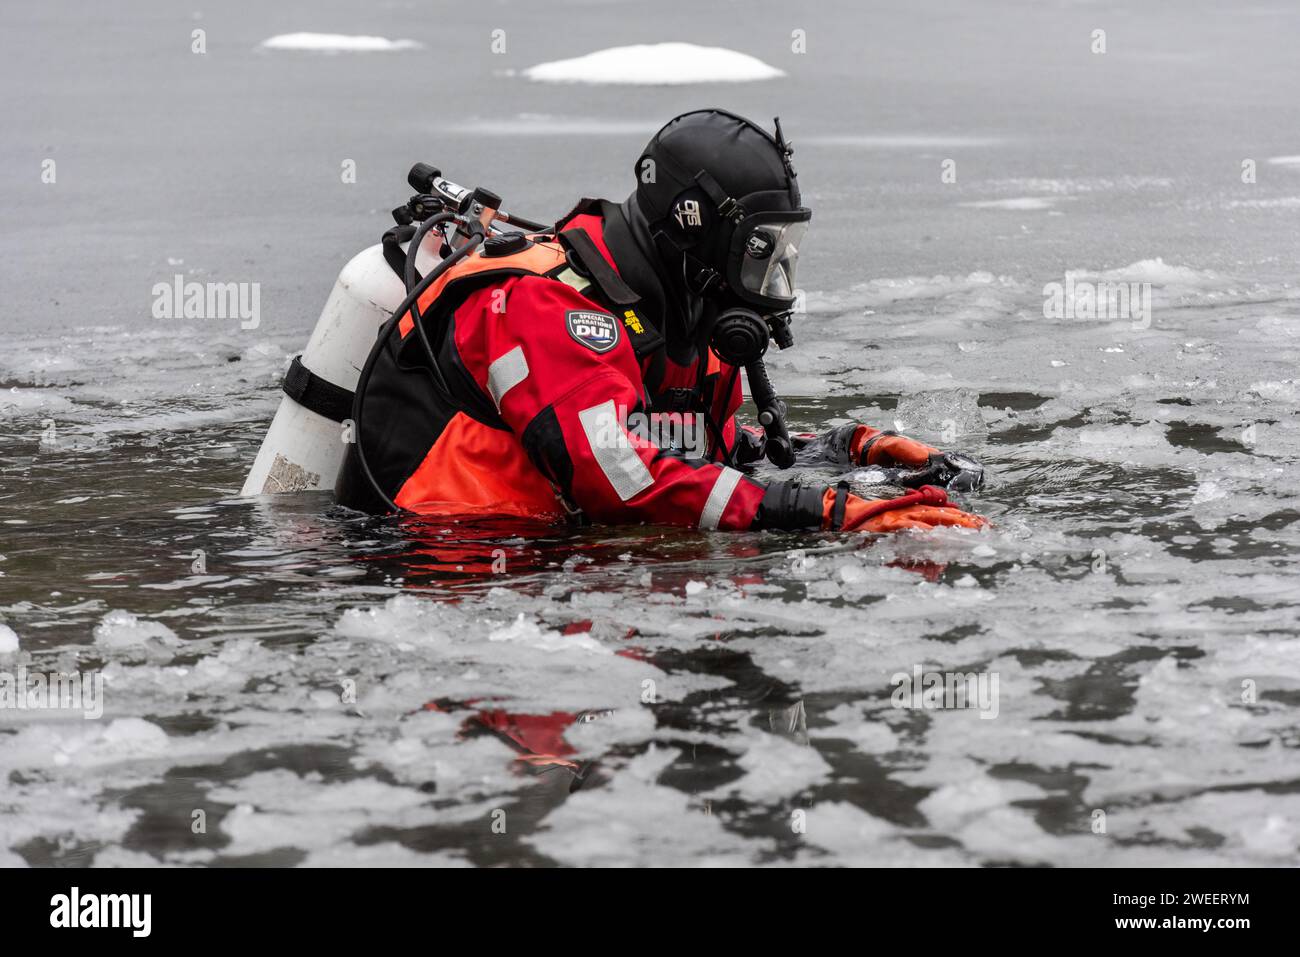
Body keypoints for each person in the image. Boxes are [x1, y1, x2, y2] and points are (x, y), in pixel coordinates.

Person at [337, 109, 987, 533]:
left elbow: (706, 453)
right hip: (436, 571)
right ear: (695, 236)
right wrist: (826, 511)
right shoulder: (541, 306)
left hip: (543, 555)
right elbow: (624, 479)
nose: (769, 286)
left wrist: (850, 451)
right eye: (757, 253)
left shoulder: (686, 323)